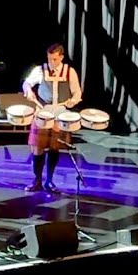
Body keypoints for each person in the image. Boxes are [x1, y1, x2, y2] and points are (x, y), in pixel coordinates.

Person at [21, 43, 83, 193]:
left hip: (60, 114)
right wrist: (28, 90)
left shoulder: (70, 72)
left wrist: (71, 102)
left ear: (61, 57)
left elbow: (77, 93)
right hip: (42, 113)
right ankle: (37, 181)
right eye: (49, 59)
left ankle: (49, 181)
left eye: (55, 59)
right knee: (37, 147)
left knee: (54, 148)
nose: (51, 62)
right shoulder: (40, 70)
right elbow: (27, 83)